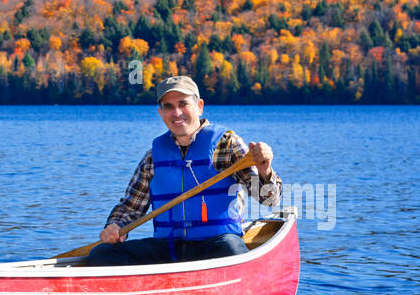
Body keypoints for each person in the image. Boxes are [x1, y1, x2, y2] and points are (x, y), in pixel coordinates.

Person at [80, 74, 282, 266]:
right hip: (169, 248)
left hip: (217, 245)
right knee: (102, 254)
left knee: (231, 248)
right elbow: (130, 208)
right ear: (161, 114)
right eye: (168, 107)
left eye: (183, 104)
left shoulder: (227, 144)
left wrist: (265, 170)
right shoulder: (153, 156)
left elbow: (270, 200)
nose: (176, 113)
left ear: (199, 106)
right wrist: (114, 226)